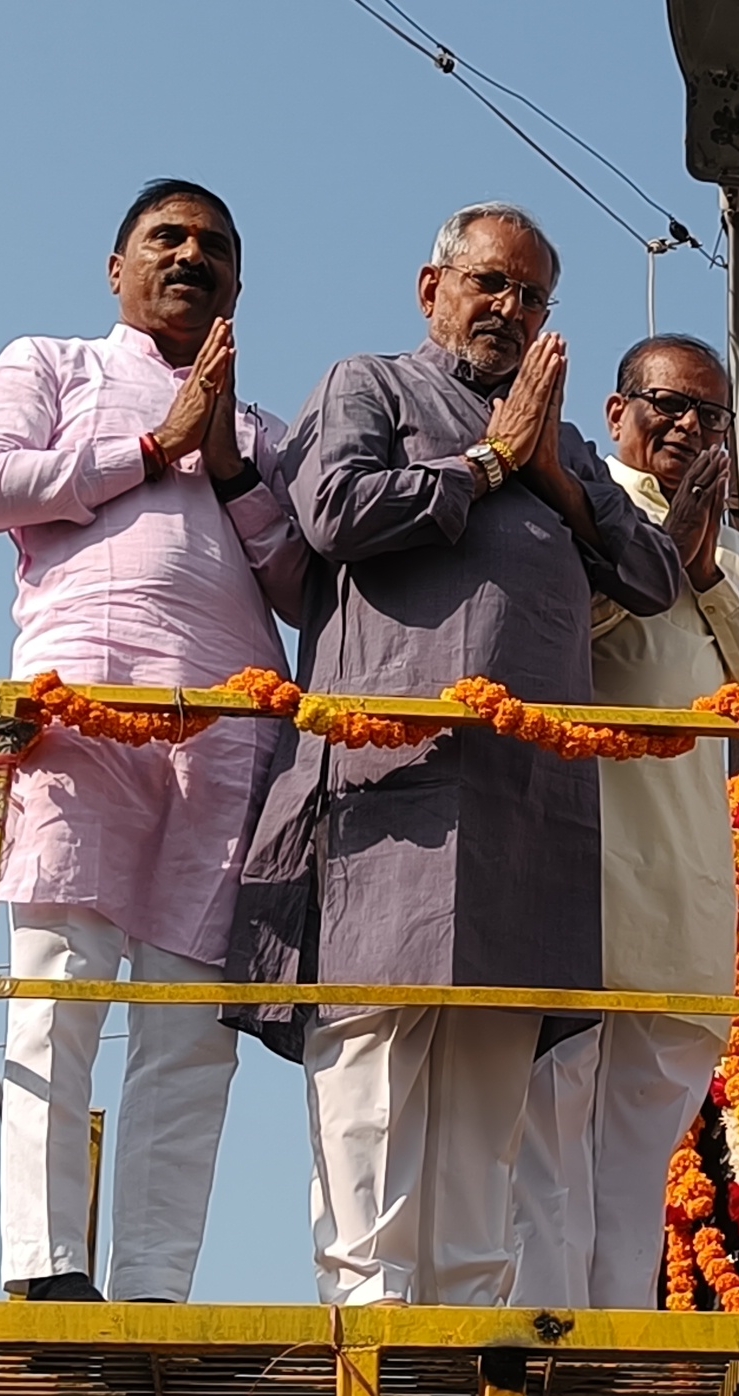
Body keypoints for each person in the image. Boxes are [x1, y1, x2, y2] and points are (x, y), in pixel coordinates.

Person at [227, 202, 683, 1308]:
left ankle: (472, 1344)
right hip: (395, 790)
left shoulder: (563, 438)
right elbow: (335, 511)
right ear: (431, 289)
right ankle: (371, 1331)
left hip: (526, 804)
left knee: (490, 1099)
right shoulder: (368, 385)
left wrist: (554, 476)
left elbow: (654, 571)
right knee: (372, 1070)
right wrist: (484, 465)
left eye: (532, 297)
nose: (509, 310)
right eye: (490, 285)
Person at [0, 178, 308, 1303]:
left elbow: (304, 581)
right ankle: (46, 1269)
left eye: (213, 247)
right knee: (57, 992)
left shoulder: (266, 429)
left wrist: (232, 460)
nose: (190, 256)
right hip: (81, 716)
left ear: (239, 288)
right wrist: (154, 448)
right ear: (118, 268)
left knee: (193, 1025)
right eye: (167, 237)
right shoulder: (54, 364)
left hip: (230, 738)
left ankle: (154, 1287)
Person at [510, 334, 739, 1309]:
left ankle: (615, 1359)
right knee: (547, 1145)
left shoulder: (726, 550)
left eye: (707, 414)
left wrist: (704, 568)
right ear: (614, 411)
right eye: (665, 404)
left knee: (640, 1162)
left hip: (680, 888)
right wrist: (650, 556)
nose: (686, 425)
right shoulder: (571, 506)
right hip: (577, 881)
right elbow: (542, 645)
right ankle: (551, 1353)